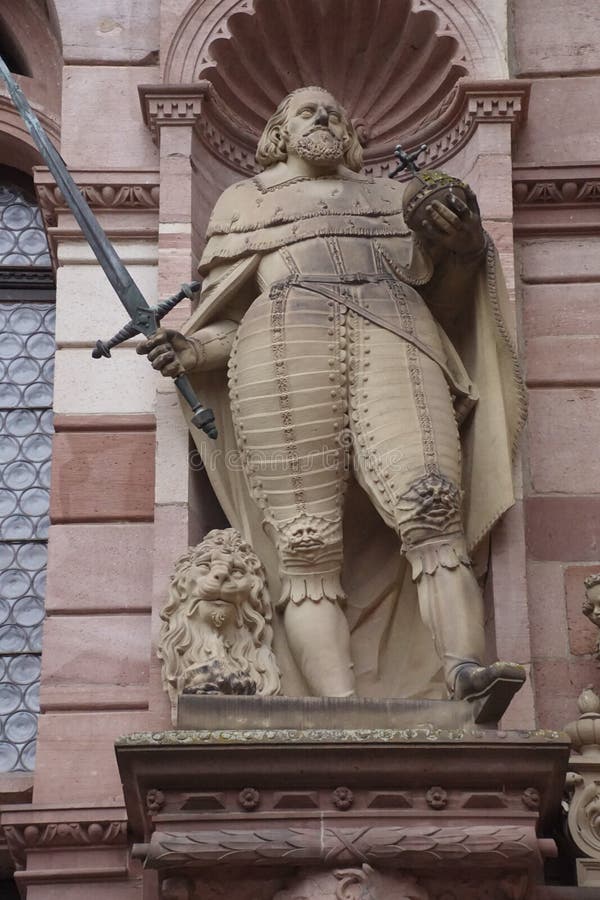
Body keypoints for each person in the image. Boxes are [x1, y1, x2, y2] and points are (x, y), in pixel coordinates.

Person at [139, 86, 526, 711]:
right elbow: (227, 319)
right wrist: (191, 352)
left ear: (350, 133)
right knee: (304, 539)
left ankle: (463, 672)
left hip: (396, 330)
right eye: (306, 110)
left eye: (334, 110)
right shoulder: (244, 200)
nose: (323, 117)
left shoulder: (391, 198)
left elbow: (448, 298)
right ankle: (336, 707)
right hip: (281, 346)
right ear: (278, 132)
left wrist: (463, 243)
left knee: (432, 503)